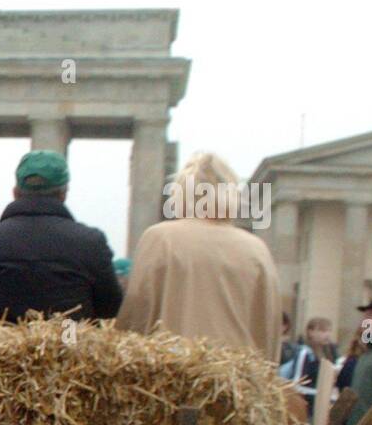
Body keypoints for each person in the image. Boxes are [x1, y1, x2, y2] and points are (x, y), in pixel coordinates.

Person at [116, 152, 281, 360]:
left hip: (170, 373)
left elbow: (137, 314)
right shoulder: (257, 250)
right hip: (237, 381)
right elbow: (268, 328)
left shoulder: (160, 238)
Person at [0, 150, 122, 321]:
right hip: (67, 339)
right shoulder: (91, 243)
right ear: (63, 194)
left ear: (16, 192)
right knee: (70, 334)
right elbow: (110, 308)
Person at [281, 317, 336, 418]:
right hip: (306, 408)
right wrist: (322, 394)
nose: (327, 335)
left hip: (317, 408)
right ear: (311, 332)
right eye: (323, 331)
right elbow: (297, 384)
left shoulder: (327, 354)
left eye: (329, 331)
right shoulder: (305, 353)